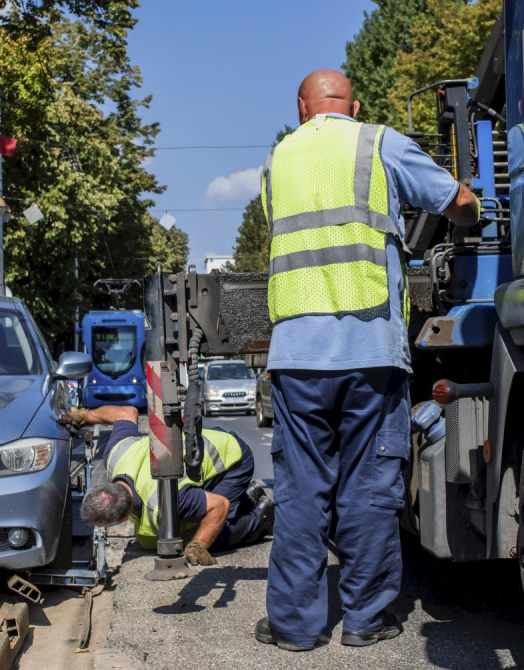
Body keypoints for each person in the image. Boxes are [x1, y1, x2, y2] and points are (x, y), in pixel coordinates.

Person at [255, 70, 480, 651]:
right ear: (353, 105)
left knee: (302, 491)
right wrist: (471, 210)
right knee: (369, 489)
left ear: (302, 108)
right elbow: (455, 201)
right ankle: (365, 620)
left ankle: (295, 627)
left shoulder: (277, 161)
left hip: (297, 354)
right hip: (370, 352)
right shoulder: (377, 142)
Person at [74, 405, 274, 566]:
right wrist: (85, 415)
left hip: (231, 459)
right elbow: (126, 413)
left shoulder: (163, 501)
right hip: (202, 445)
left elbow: (219, 505)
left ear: (121, 519)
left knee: (216, 531)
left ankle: (263, 517)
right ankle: (248, 495)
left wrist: (198, 545)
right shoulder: (115, 457)